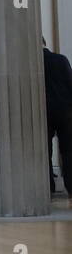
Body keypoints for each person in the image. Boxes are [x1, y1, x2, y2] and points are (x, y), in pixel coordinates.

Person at [44, 39, 72, 194]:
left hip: (44, 111)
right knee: (68, 151)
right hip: (65, 110)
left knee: (44, 151)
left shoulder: (34, 63)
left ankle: (49, 186)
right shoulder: (61, 60)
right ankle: (70, 185)